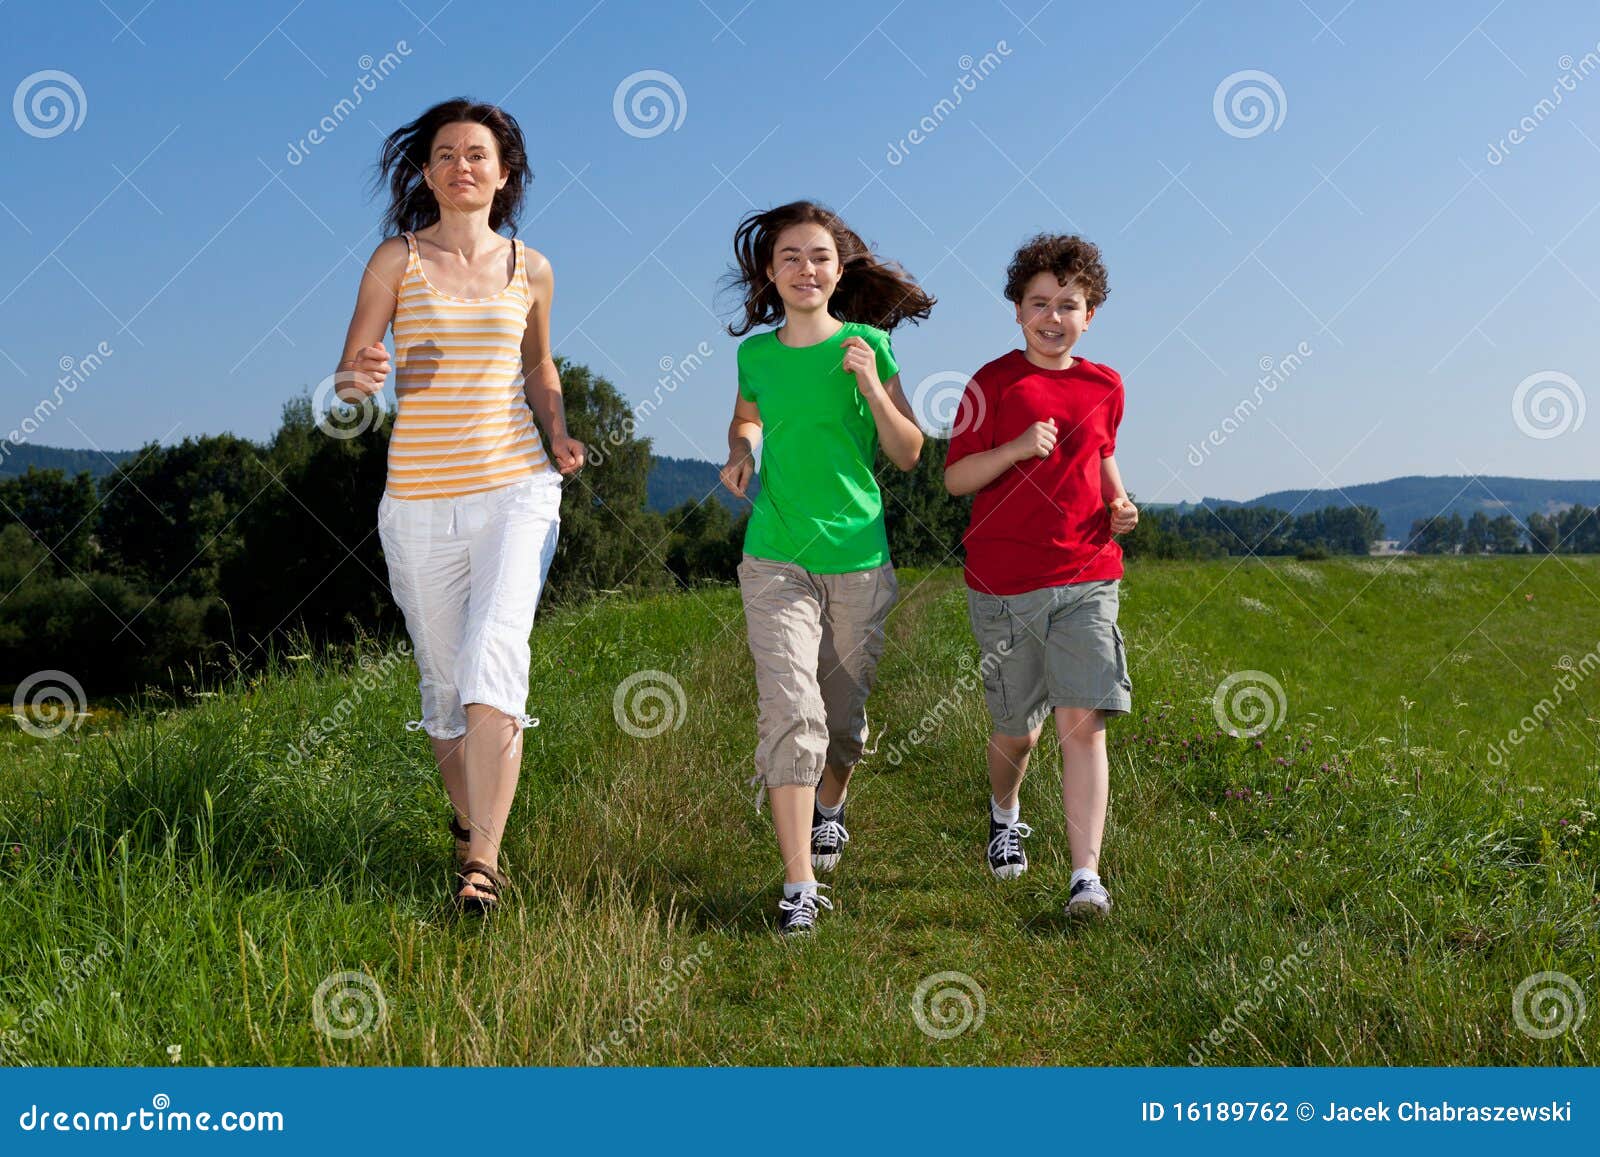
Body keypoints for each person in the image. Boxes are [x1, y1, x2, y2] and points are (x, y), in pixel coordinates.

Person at [332, 98, 584, 914]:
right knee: (444, 691)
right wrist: (360, 377)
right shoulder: (393, 260)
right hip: (416, 503)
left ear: (503, 174)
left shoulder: (532, 267)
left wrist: (559, 433)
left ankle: (483, 863)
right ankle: (475, 819)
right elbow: (349, 374)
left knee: (492, 663)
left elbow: (540, 366)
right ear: (427, 173)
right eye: (445, 154)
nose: (461, 165)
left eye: (477, 154)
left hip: (516, 488)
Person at [719, 200, 932, 936]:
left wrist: (872, 385)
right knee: (793, 712)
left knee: (841, 724)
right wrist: (743, 447)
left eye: (818, 257)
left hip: (858, 557)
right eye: (789, 258)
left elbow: (908, 451)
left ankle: (830, 804)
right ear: (769, 273)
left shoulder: (870, 343)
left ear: (839, 271)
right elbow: (747, 413)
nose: (805, 269)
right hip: (776, 555)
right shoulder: (757, 354)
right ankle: (798, 885)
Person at [943, 233, 1137, 918]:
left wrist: (1118, 500)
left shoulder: (1105, 384)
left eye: (1069, 304)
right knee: (1016, 731)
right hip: (1002, 581)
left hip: (1087, 572)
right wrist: (1018, 447)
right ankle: (1004, 813)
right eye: (1039, 303)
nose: (1053, 316)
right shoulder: (990, 384)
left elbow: (1102, 452)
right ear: (1017, 308)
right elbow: (955, 477)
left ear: (1091, 314)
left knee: (1083, 723)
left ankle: (1086, 875)